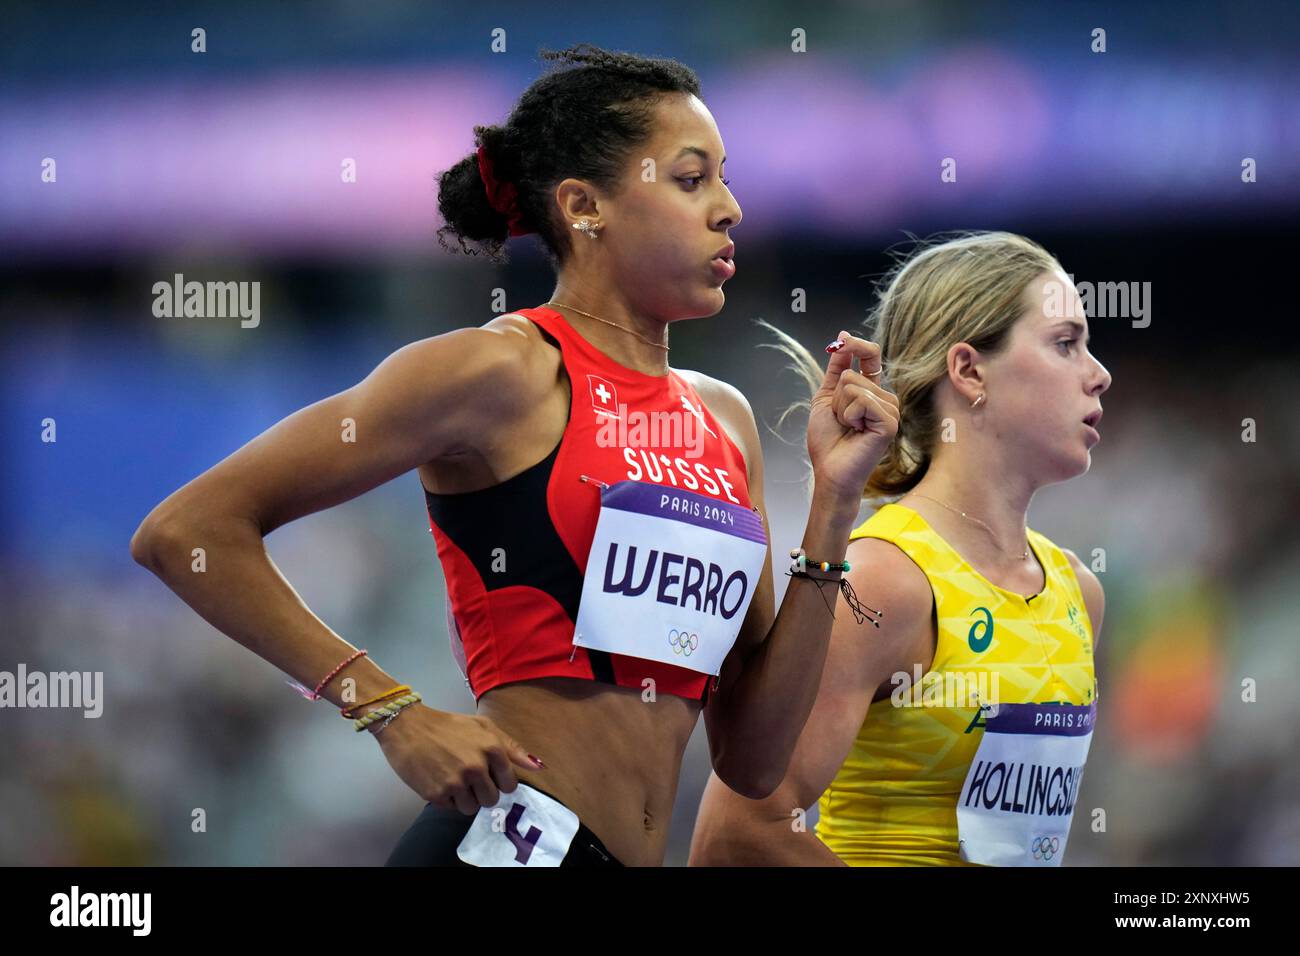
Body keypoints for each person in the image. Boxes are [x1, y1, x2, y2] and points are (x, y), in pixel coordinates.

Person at [128, 44, 900, 867]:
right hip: (508, 844)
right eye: (690, 178)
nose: (730, 208)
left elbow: (752, 761)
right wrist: (385, 707)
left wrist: (832, 507)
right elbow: (187, 530)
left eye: (726, 177)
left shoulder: (724, 419)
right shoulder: (501, 372)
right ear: (583, 207)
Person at [688, 232, 1111, 866]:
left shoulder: (1079, 591)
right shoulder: (884, 579)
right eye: (1064, 344)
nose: (1099, 374)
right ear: (969, 370)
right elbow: (737, 835)